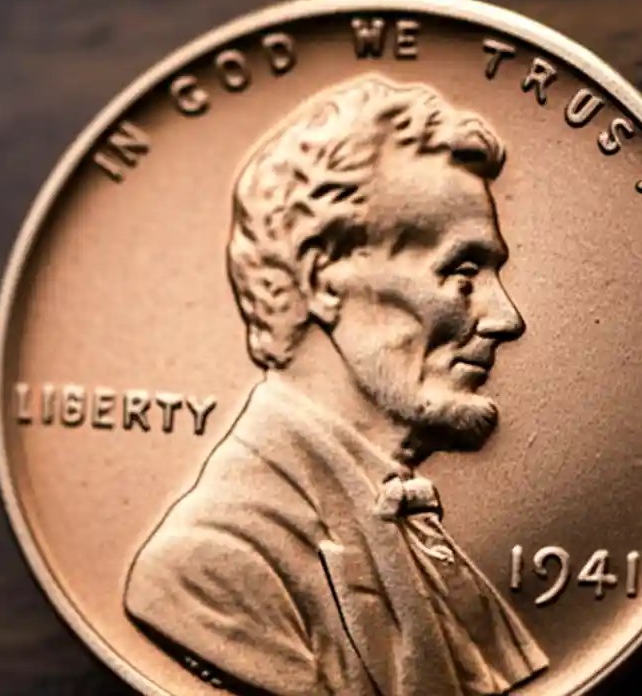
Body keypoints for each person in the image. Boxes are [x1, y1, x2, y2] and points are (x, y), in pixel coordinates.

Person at [124, 74, 548, 696]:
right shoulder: (211, 564)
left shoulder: (401, 514)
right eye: (463, 273)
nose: (506, 318)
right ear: (323, 279)